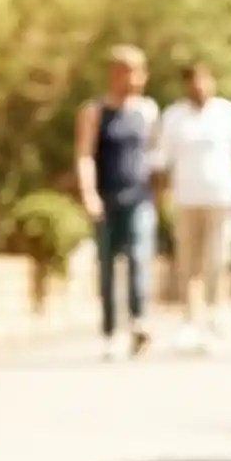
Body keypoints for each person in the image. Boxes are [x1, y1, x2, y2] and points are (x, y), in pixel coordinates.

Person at [154, 62, 231, 353]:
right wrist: (160, 197)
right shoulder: (174, 117)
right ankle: (190, 321)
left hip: (221, 198)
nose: (199, 87)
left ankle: (216, 316)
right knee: (188, 263)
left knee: (217, 259)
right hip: (186, 198)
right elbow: (162, 161)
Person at [75, 44, 160, 361]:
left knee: (140, 258)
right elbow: (84, 155)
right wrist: (89, 194)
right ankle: (111, 331)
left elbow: (154, 155)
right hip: (107, 196)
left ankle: (140, 321)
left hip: (139, 197)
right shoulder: (94, 111)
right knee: (108, 265)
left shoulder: (147, 111)